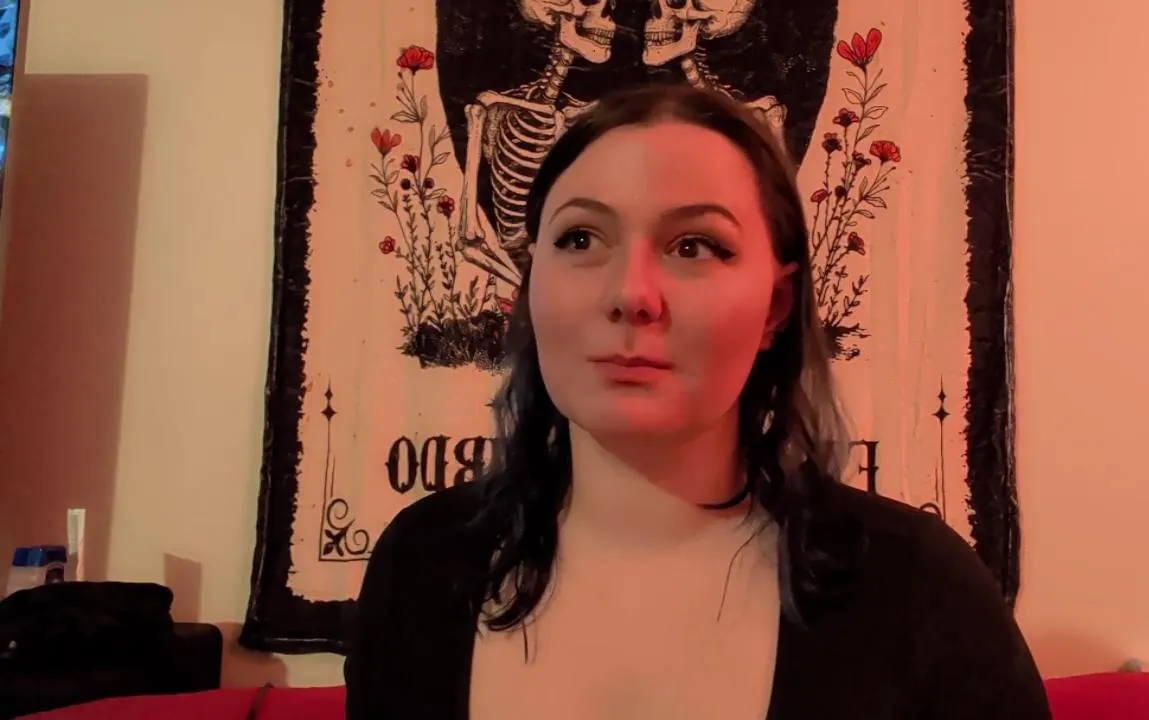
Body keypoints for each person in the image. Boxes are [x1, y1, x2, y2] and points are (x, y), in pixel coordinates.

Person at [345, 83, 1051, 719]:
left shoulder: (918, 590)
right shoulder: (422, 565)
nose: (631, 294)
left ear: (776, 305)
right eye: (580, 238)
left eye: (695, 246)